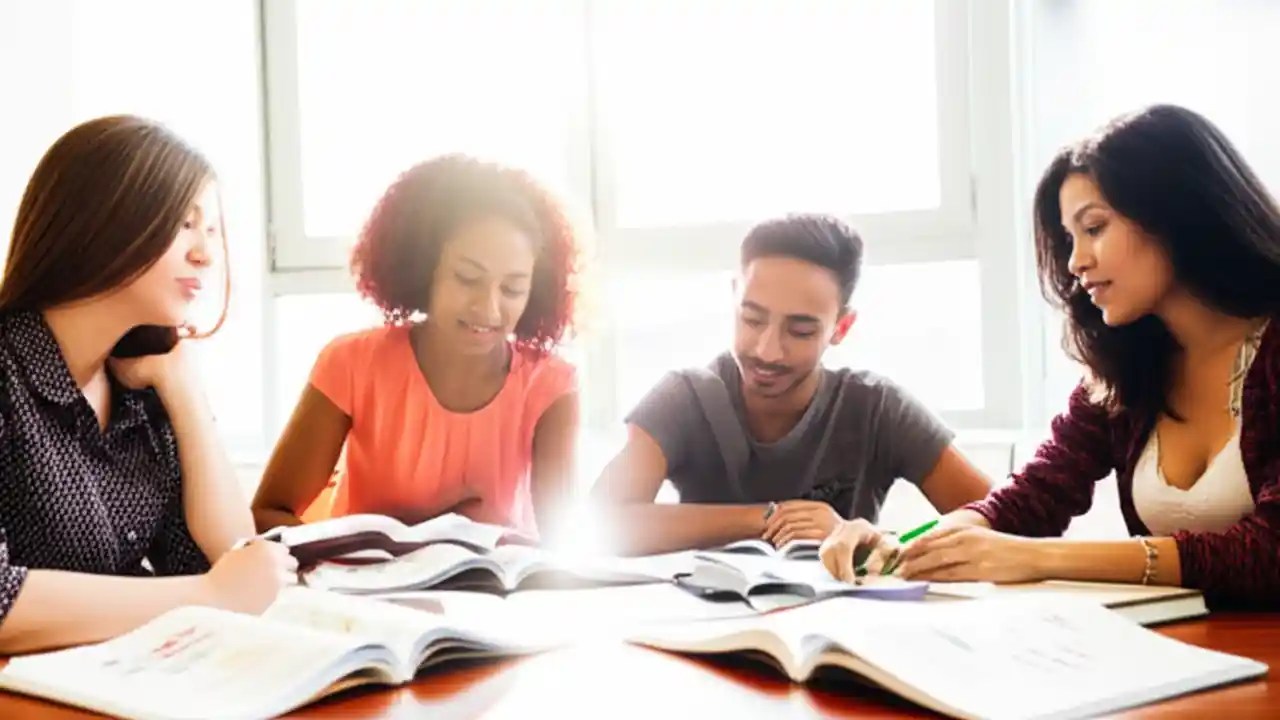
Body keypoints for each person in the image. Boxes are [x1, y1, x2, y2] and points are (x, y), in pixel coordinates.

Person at [820, 105, 1280, 609]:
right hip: (1196, 660)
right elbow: (1030, 498)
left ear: (1176, 212)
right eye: (1068, 239)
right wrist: (904, 546)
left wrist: (1039, 558)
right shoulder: (1122, 376)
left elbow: (1269, 551)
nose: (1075, 262)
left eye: (1095, 227)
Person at [0, 115, 294, 654]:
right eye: (184, 224)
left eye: (211, 231)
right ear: (101, 223)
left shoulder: (144, 383)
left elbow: (227, 557)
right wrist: (210, 595)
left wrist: (185, 393)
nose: (206, 253)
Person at [590, 214, 992, 555]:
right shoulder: (686, 397)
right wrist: (769, 518)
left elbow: (1005, 518)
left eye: (799, 331)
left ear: (841, 327)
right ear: (734, 297)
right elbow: (602, 523)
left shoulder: (876, 407)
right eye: (752, 319)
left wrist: (880, 541)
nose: (767, 351)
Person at [253, 155, 582, 539]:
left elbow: (562, 548)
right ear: (425, 268)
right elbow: (265, 513)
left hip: (493, 594)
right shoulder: (351, 363)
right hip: (366, 590)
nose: (489, 308)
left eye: (512, 288)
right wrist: (388, 544)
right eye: (467, 278)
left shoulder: (551, 385)